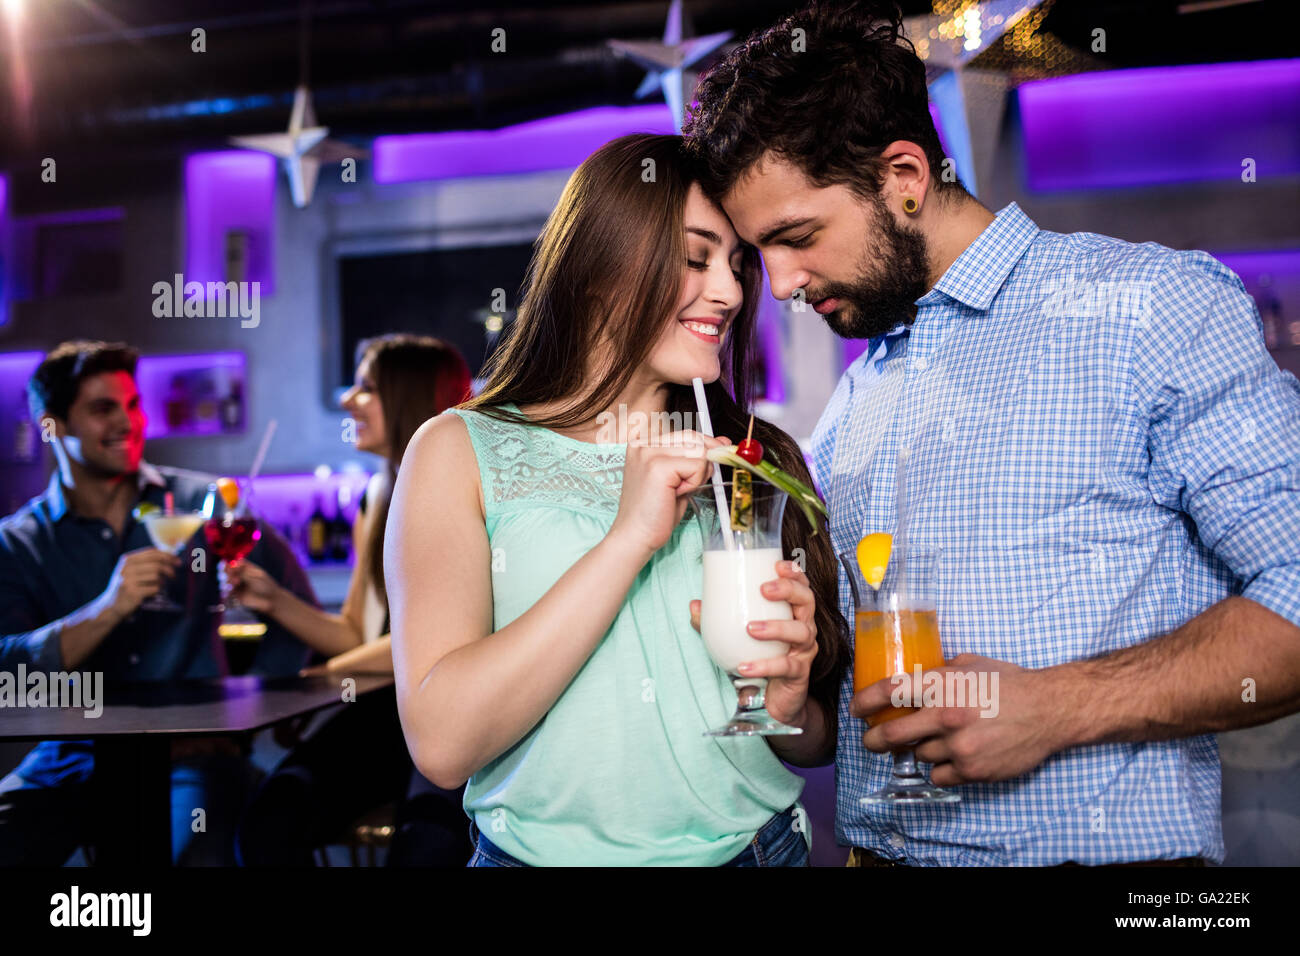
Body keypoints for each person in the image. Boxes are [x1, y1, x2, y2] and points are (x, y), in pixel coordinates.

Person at [683, 0, 1300, 866]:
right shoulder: (857, 400)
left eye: (796, 237)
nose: (777, 284)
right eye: (761, 254)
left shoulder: (1153, 311)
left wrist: (1059, 705)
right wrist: (793, 704)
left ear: (904, 174)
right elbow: (851, 729)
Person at [386, 133, 850, 867]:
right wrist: (627, 538)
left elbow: (819, 739)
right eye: (696, 258)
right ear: (600, 264)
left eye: (736, 265)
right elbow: (442, 745)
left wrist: (791, 710)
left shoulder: (757, 462)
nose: (730, 291)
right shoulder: (455, 451)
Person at [0, 340, 317, 866]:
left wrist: (243, 719)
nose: (128, 423)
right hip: (68, 758)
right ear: (52, 425)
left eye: (132, 405)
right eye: (103, 409)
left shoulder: (207, 504)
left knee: (198, 856)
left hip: (191, 757)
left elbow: (295, 611)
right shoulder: (17, 541)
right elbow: (6, 667)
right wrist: (107, 608)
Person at [231, 334, 474, 866]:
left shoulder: (462, 482)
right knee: (267, 825)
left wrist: (321, 677)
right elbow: (358, 634)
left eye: (366, 387)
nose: (348, 401)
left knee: (425, 849)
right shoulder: (375, 493)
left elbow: (436, 641)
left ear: (407, 395)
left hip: (446, 707)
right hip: (381, 712)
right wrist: (272, 600)